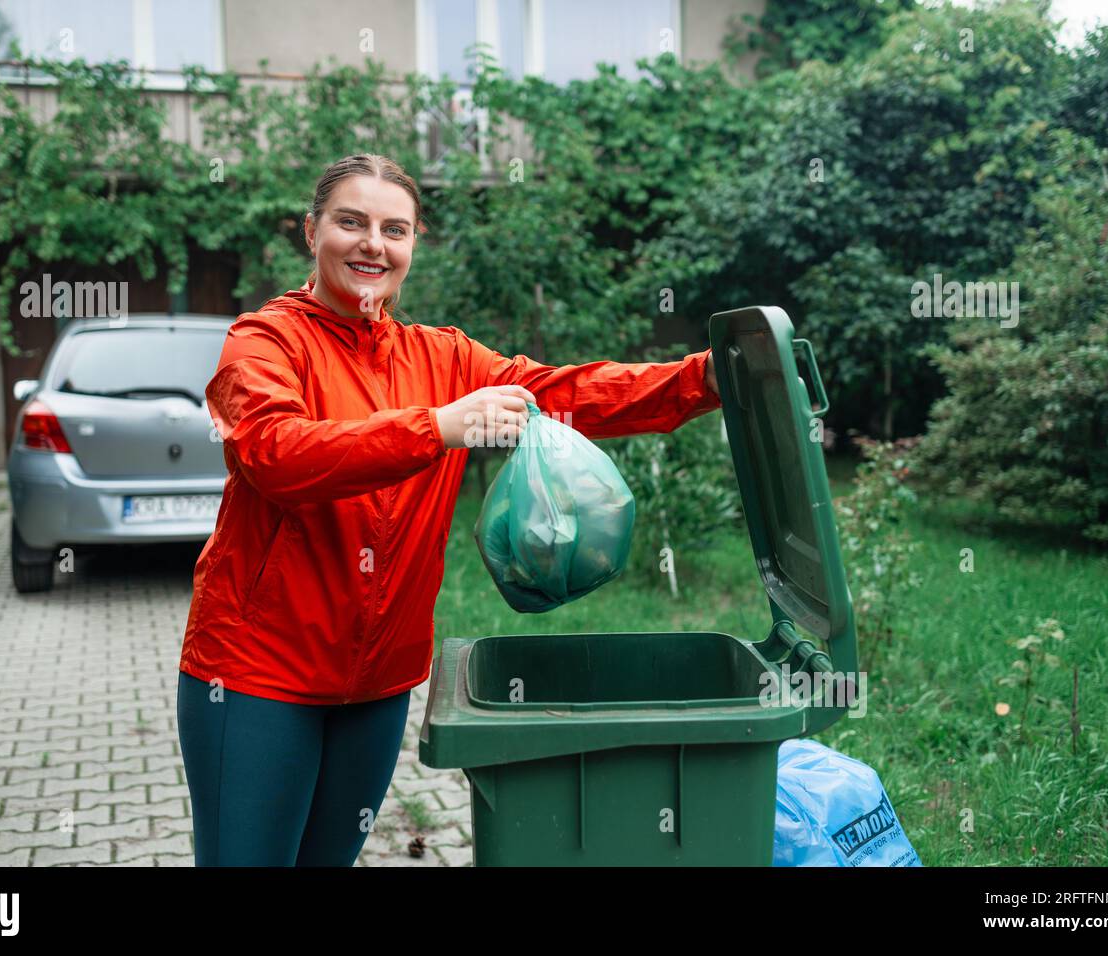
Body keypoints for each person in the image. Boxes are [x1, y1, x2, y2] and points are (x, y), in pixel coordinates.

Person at [176, 152, 723, 866]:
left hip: (378, 681)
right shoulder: (265, 341)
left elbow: (569, 391)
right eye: (351, 222)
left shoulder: (443, 357)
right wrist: (439, 427)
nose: (373, 243)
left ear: (411, 246)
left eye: (394, 229)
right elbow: (276, 453)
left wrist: (706, 379)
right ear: (312, 232)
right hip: (255, 678)